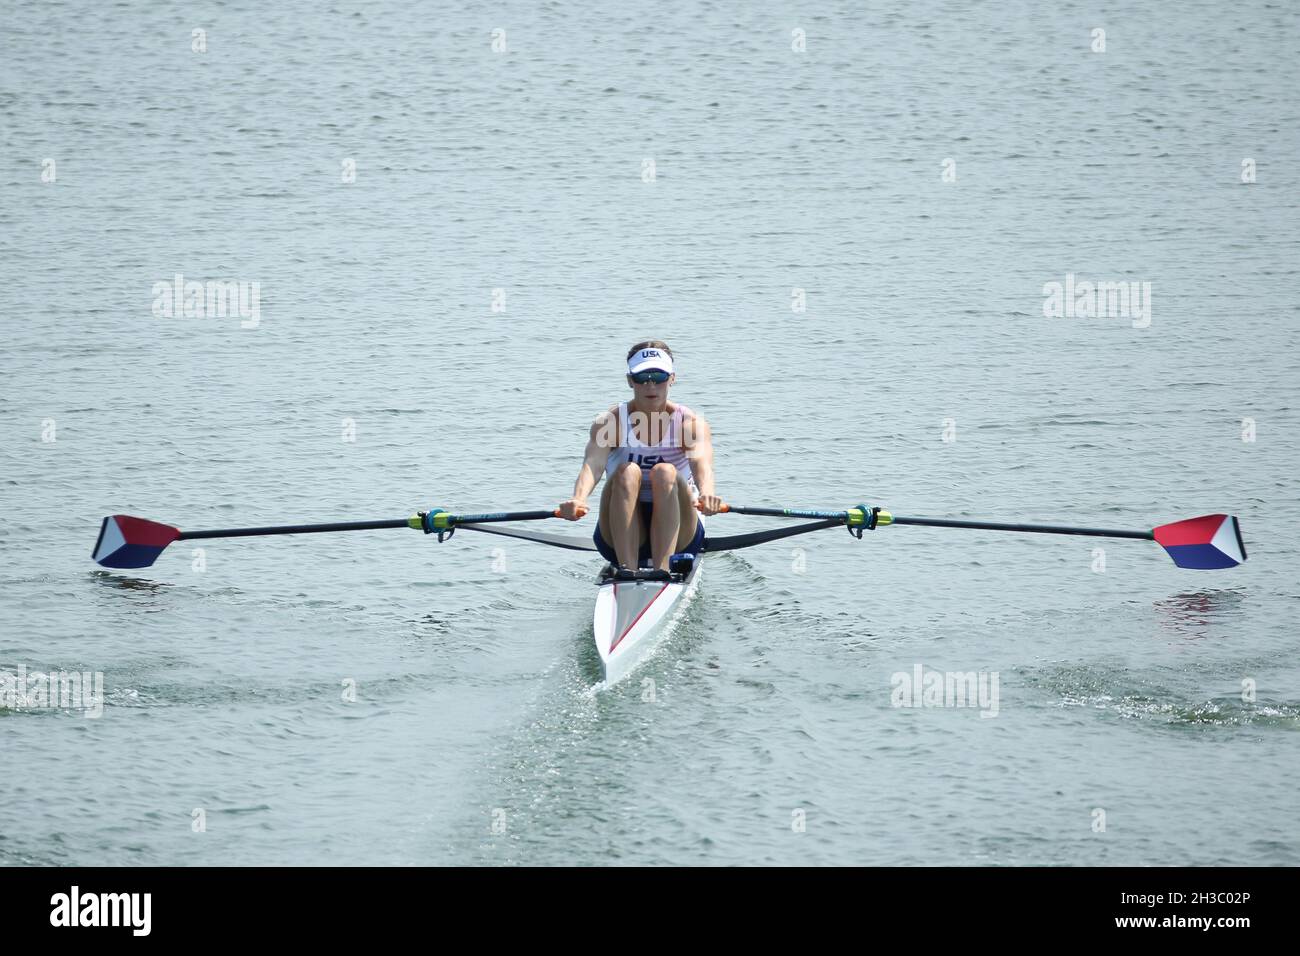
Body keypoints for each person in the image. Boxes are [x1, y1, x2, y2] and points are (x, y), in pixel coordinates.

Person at [557, 340, 723, 571]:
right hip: (617, 534)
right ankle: (627, 569)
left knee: (664, 472)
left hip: (680, 535)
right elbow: (593, 464)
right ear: (629, 380)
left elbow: (702, 464)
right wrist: (578, 499)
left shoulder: (689, 424)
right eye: (642, 378)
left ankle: (662, 571)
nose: (651, 386)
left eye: (658, 377)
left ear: (672, 378)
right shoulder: (611, 422)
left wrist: (707, 494)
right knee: (627, 471)